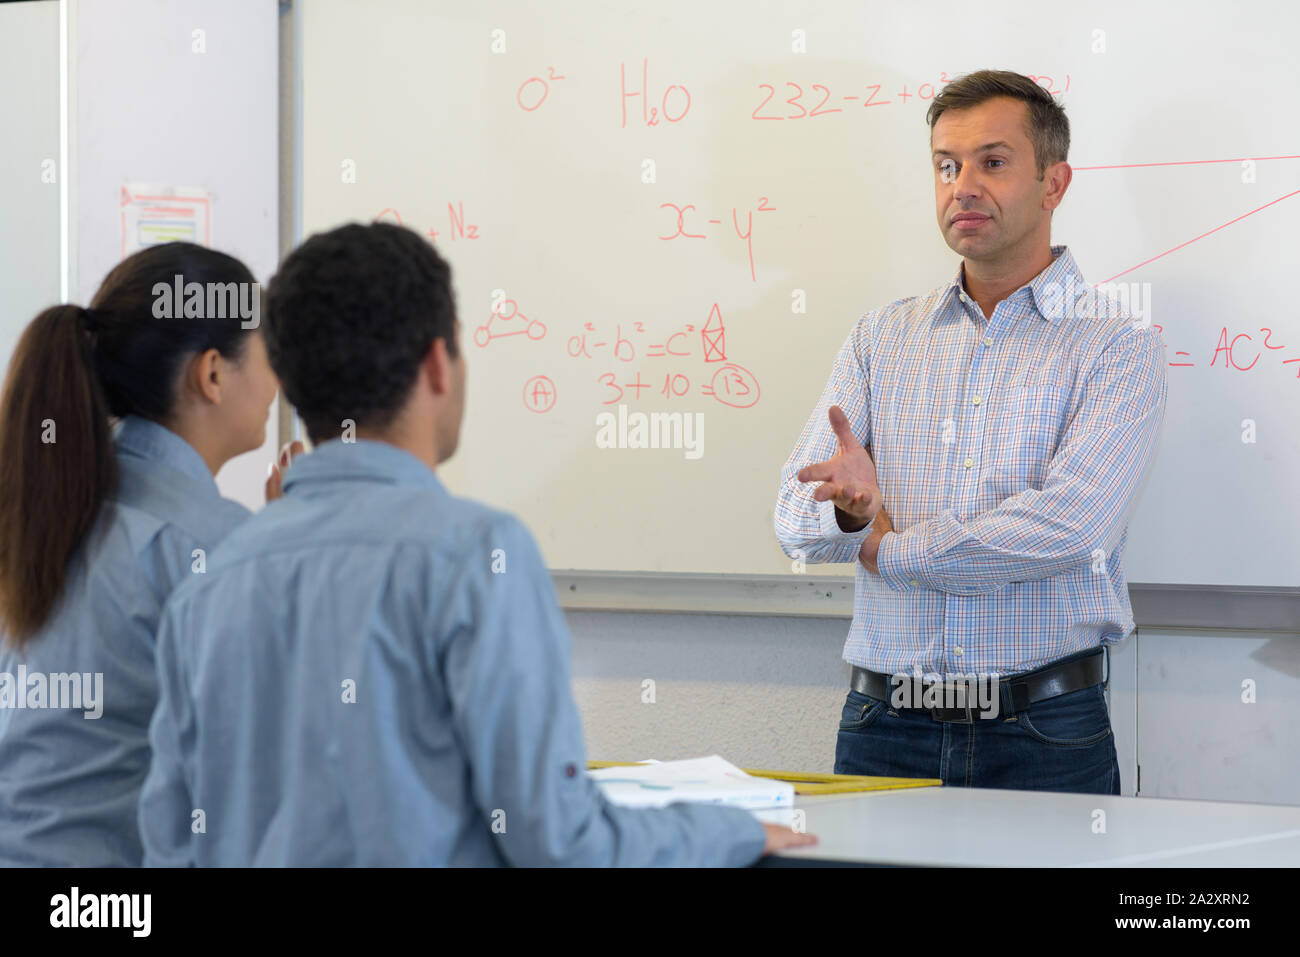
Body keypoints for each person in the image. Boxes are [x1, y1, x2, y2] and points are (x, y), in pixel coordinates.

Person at [139, 222, 814, 865]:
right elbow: (559, 840)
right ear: (439, 363)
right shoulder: (476, 557)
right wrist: (726, 832)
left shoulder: (212, 577)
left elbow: (169, 844)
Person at [775, 69, 1168, 794]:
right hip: (882, 723)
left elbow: (1072, 527)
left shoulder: (1116, 346)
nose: (962, 186)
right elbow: (797, 518)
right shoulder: (879, 338)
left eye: (992, 162)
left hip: (1045, 730)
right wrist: (848, 513)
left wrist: (889, 549)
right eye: (946, 166)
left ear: (1054, 183)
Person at [0, 243, 281, 865]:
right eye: (269, 354)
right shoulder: (211, 547)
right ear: (212, 374)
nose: (278, 382)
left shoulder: (44, 512)